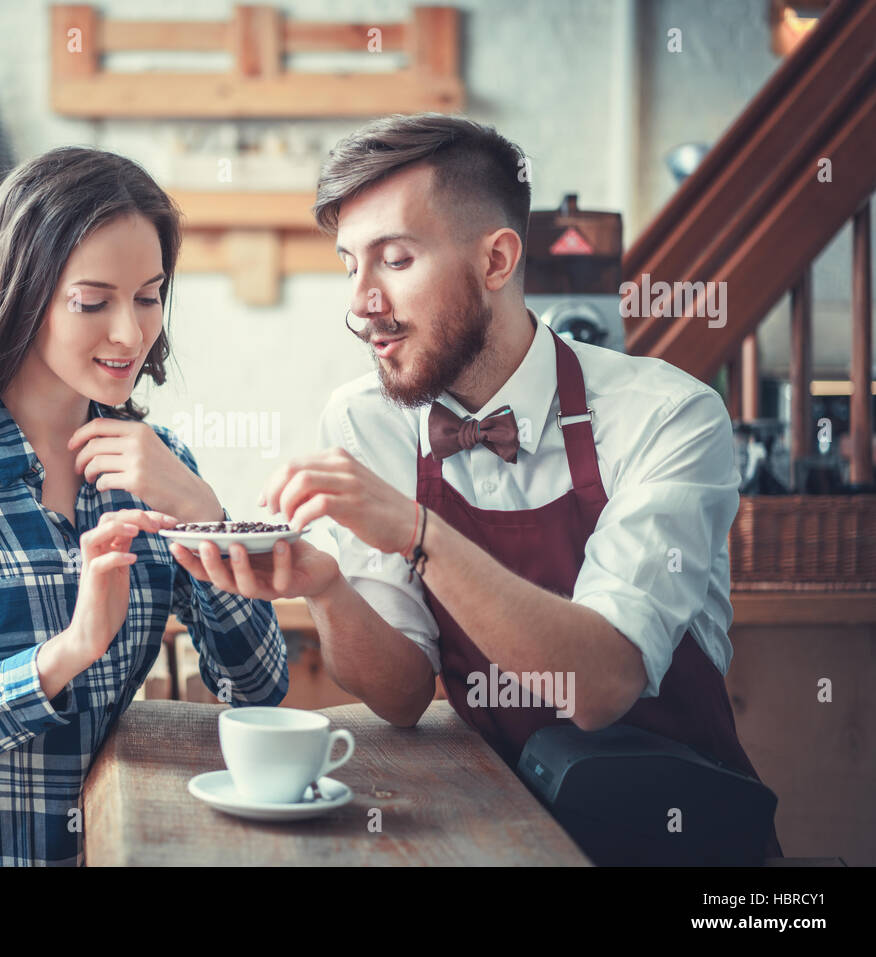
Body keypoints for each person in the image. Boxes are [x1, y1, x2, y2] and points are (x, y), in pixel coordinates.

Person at [169, 113, 781, 860]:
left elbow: (598, 685)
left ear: (496, 261)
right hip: (490, 830)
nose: (359, 303)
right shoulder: (367, 418)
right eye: (348, 264)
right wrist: (326, 588)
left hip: (679, 838)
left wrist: (417, 532)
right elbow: (398, 693)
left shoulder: (669, 415)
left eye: (394, 260)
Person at [0, 147, 287, 866]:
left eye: (148, 296)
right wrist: (63, 654)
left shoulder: (156, 463)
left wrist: (207, 512)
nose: (130, 333)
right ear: (24, 294)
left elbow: (259, 687)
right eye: (93, 300)